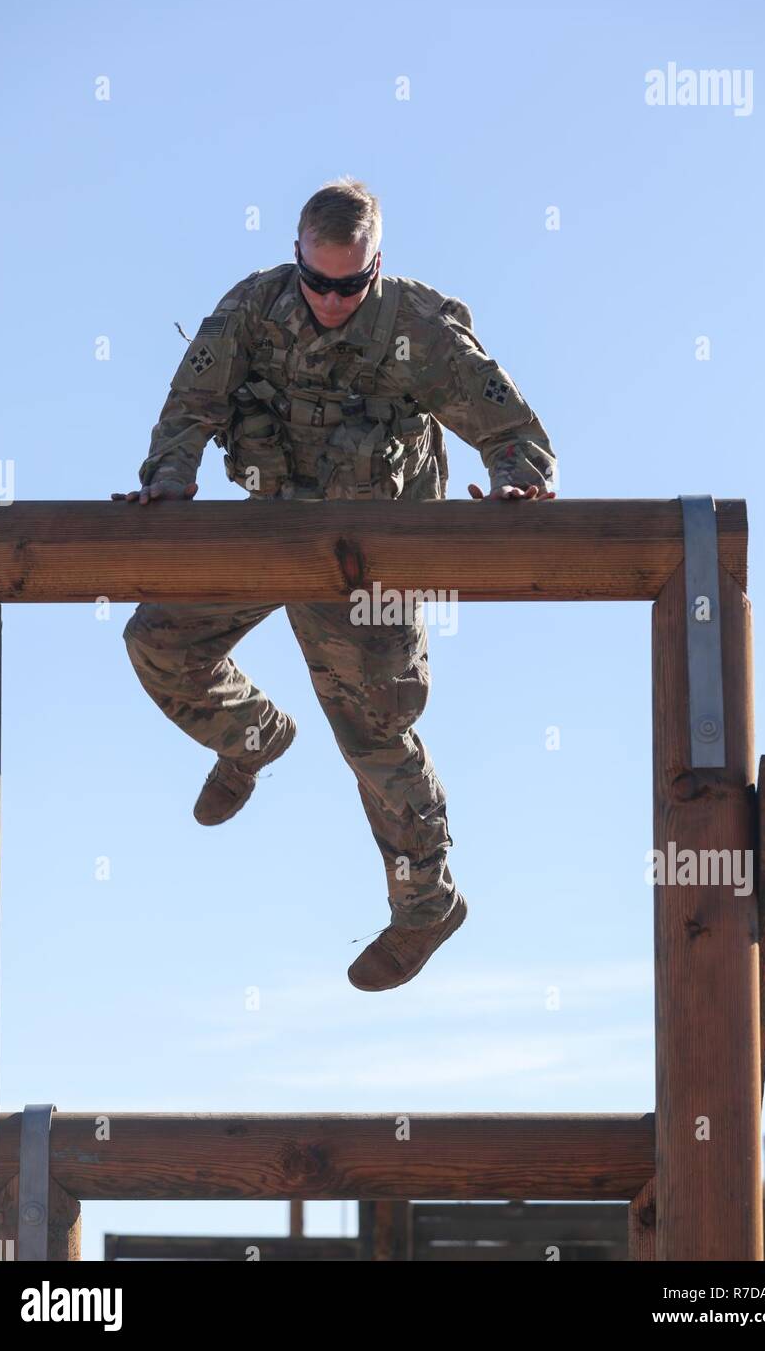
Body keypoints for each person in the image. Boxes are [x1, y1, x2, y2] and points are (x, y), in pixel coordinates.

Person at [112, 177, 557, 991]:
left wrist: (519, 486)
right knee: (158, 639)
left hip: (370, 553)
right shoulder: (253, 307)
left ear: (375, 266)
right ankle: (252, 737)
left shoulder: (416, 325)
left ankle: (426, 904)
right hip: (272, 527)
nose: (330, 299)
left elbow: (513, 430)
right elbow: (191, 404)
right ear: (296, 257)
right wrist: (169, 477)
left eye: (350, 284)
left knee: (376, 736)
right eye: (317, 281)